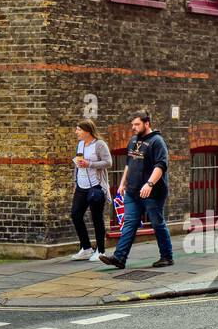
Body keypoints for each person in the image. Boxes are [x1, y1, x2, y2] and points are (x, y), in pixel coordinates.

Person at [99, 111, 175, 270]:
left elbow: (161, 166)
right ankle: (119, 258)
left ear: (147, 123)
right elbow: (129, 164)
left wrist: (149, 184)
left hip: (152, 193)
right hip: (132, 192)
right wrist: (122, 183)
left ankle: (167, 257)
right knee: (129, 224)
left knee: (157, 223)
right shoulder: (133, 140)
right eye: (132, 124)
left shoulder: (157, 141)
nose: (133, 127)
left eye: (137, 124)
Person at [68, 120, 111, 261]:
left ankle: (101, 251)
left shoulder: (99, 144)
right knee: (75, 215)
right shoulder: (80, 144)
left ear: (87, 131)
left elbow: (108, 162)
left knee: (97, 218)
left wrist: (90, 164)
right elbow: (79, 163)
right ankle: (86, 248)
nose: (76, 132)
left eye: (79, 130)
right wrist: (76, 178)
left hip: (96, 186)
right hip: (81, 186)